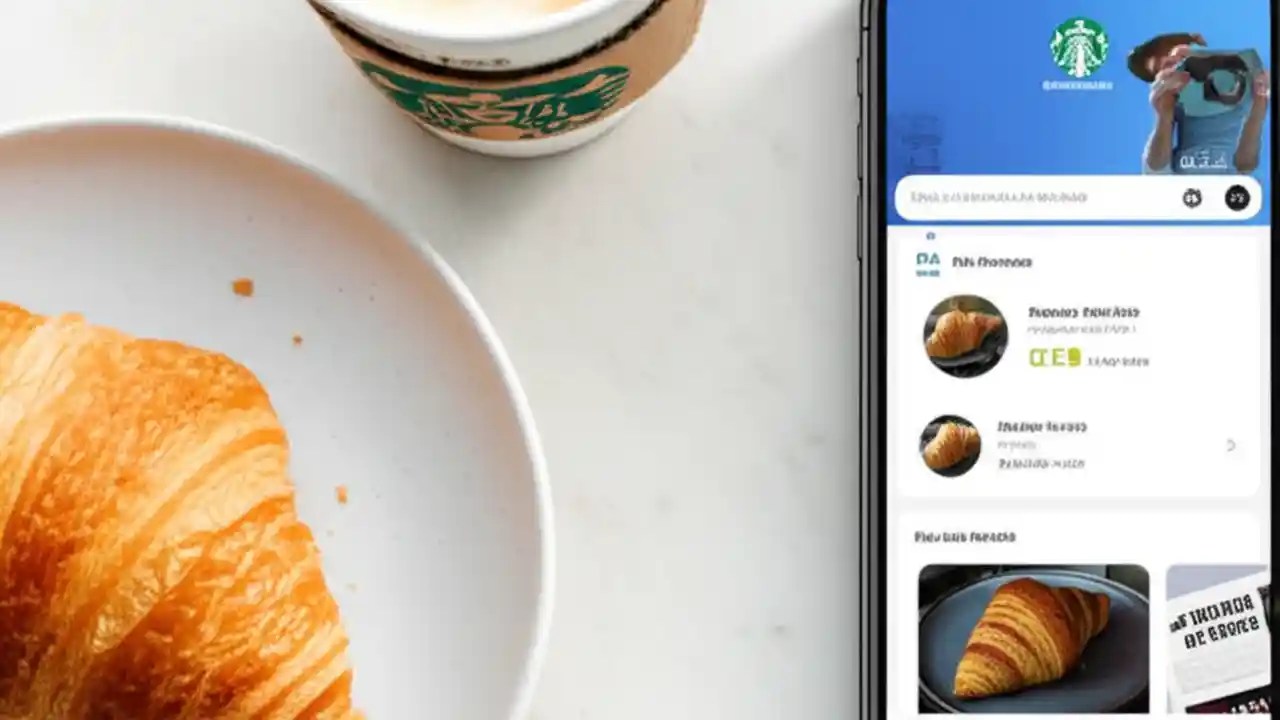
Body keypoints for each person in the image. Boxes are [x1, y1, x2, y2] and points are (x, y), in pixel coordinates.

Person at [1128, 32, 1270, 174]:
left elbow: (1245, 165)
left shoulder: (1251, 79)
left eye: (1182, 59)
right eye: (1168, 67)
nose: (1178, 66)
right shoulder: (1176, 107)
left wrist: (1258, 107)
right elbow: (1156, 173)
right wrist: (1164, 115)